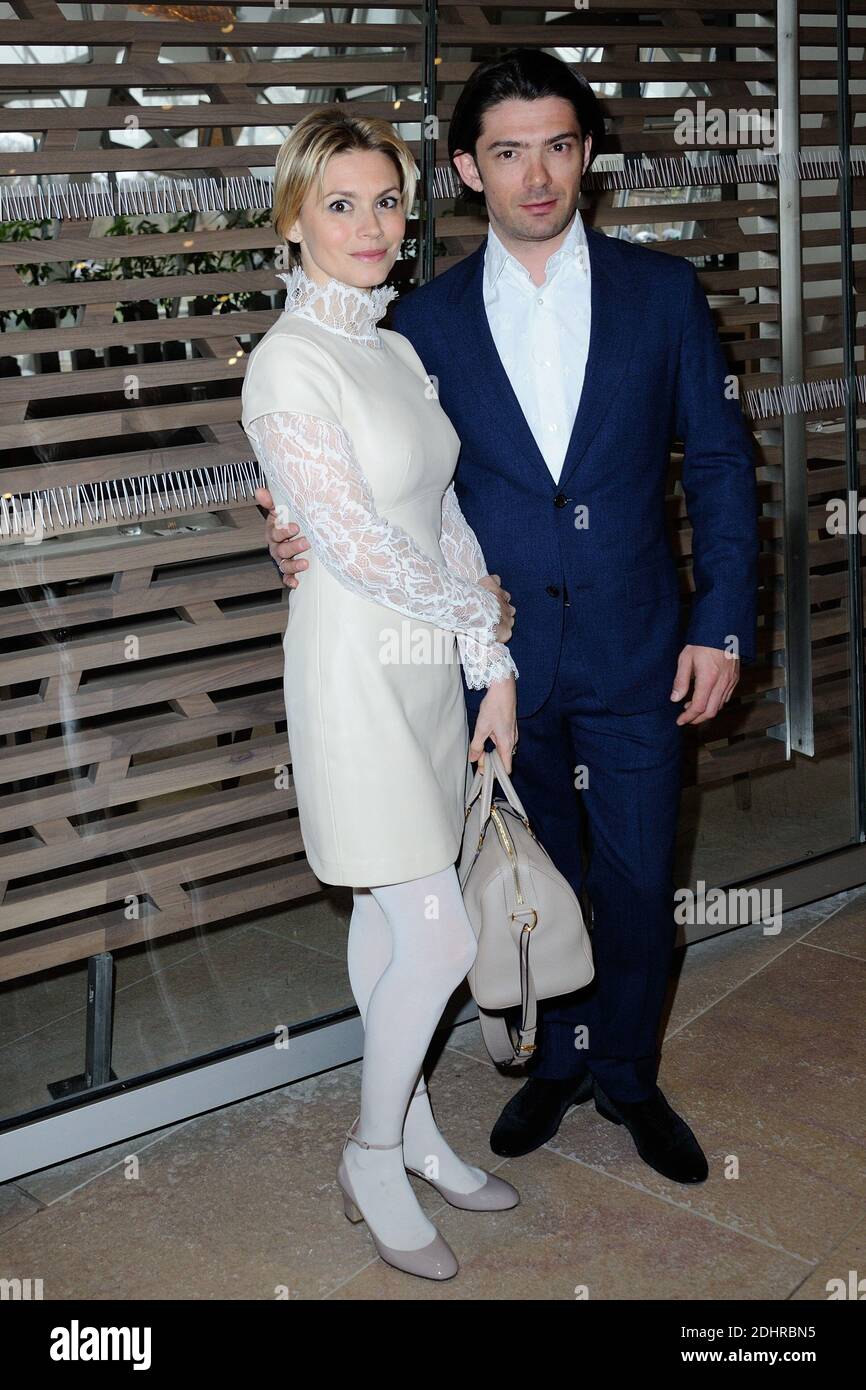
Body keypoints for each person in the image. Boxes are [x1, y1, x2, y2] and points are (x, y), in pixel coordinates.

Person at [261, 50, 760, 1187]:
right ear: (465, 169)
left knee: (637, 884)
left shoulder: (660, 292)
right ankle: (554, 1057)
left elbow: (723, 466)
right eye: (506, 151)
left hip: (642, 647)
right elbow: (373, 475)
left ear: (584, 156)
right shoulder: (416, 322)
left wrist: (720, 623)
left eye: (557, 145)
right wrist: (284, 521)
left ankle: (627, 1074)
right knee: (522, 881)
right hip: (489, 671)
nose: (535, 175)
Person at [241, 109, 522, 1282]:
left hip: (424, 669)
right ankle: (368, 1149)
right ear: (295, 216)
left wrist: (488, 668)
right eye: (341, 203)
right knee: (438, 927)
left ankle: (409, 1127)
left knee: (383, 911)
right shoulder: (287, 360)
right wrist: (475, 623)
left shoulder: (396, 349)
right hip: (355, 665)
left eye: (387, 201)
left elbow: (442, 519)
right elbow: (352, 544)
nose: (370, 225)